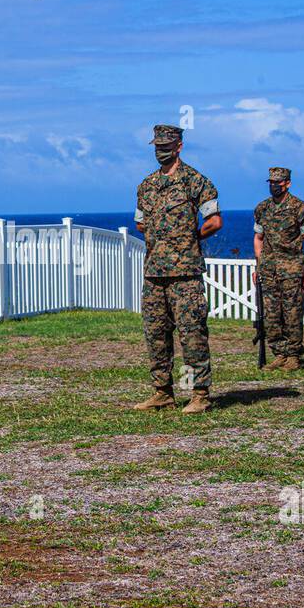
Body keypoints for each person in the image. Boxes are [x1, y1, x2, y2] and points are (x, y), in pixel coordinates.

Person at [133, 125, 222, 413]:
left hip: (185, 273)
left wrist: (189, 238)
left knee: (192, 334)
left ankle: (199, 394)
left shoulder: (195, 181)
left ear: (179, 146)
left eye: (166, 145)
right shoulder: (146, 185)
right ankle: (162, 392)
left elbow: (214, 221)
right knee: (156, 334)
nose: (161, 151)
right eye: (157, 146)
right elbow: (140, 222)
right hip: (154, 273)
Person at [254, 167, 304, 370]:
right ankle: (279, 353)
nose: (274, 186)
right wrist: (259, 265)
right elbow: (258, 238)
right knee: (271, 315)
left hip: (292, 269)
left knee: (292, 314)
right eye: (271, 183)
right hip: (269, 270)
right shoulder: (262, 208)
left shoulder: (300, 208)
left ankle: (294, 355)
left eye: (278, 183)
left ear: (287, 183)